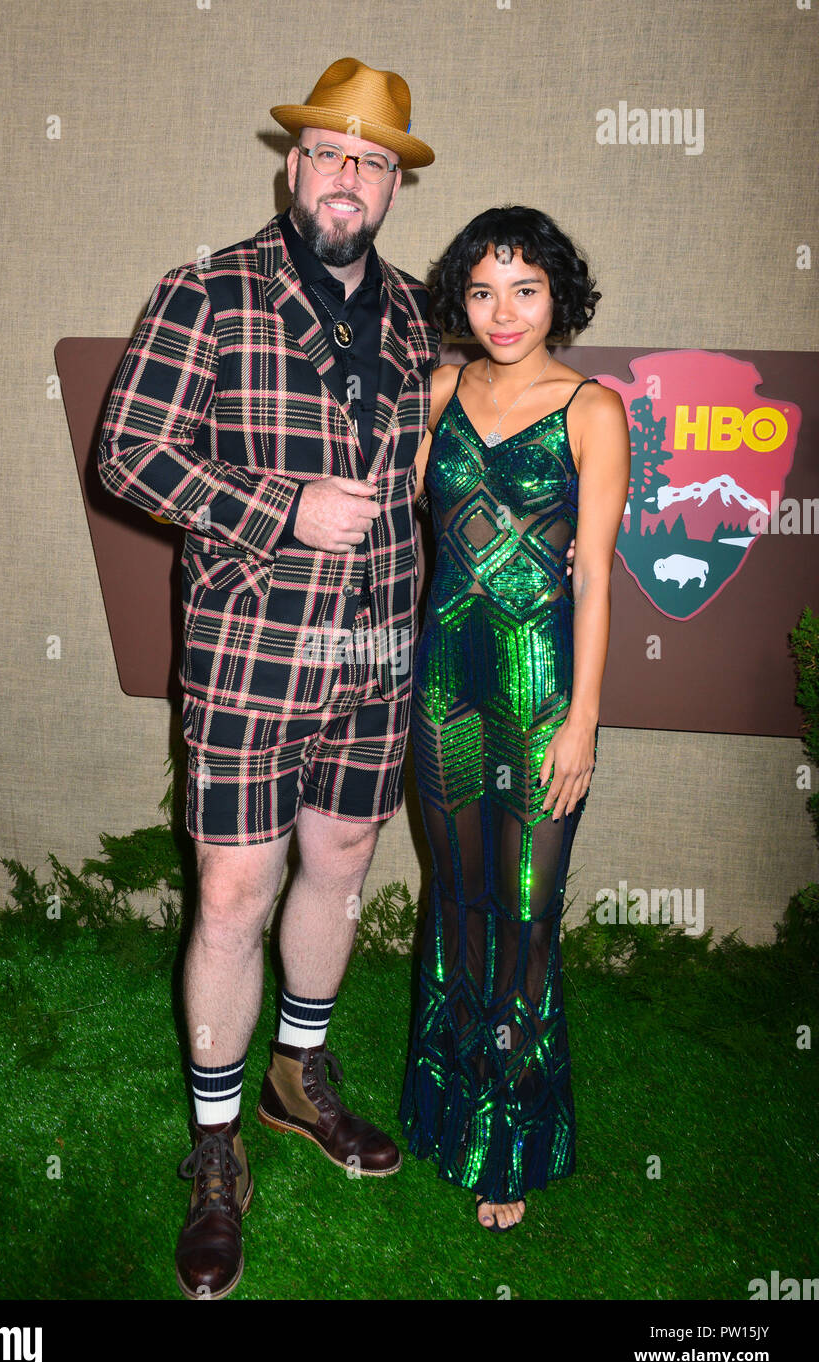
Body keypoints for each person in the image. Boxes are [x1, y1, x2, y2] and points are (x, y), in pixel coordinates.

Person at [97, 58, 439, 1299]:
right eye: (331, 154)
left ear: (393, 188)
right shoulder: (206, 292)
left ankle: (300, 1076)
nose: (351, 178)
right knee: (234, 891)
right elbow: (127, 451)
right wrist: (274, 507)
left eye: (377, 163)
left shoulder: (413, 314)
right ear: (293, 165)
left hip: (379, 648)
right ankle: (213, 1142)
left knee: (343, 863)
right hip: (250, 646)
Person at [399, 206, 630, 1232]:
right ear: (463, 296)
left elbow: (596, 582)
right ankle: (443, 1109)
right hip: (441, 683)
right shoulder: (439, 390)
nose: (502, 310)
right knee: (457, 901)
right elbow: (406, 534)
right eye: (484, 289)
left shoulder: (590, 408)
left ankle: (510, 1140)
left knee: (527, 910)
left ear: (557, 299)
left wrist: (582, 717)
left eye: (525, 288)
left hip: (540, 697)